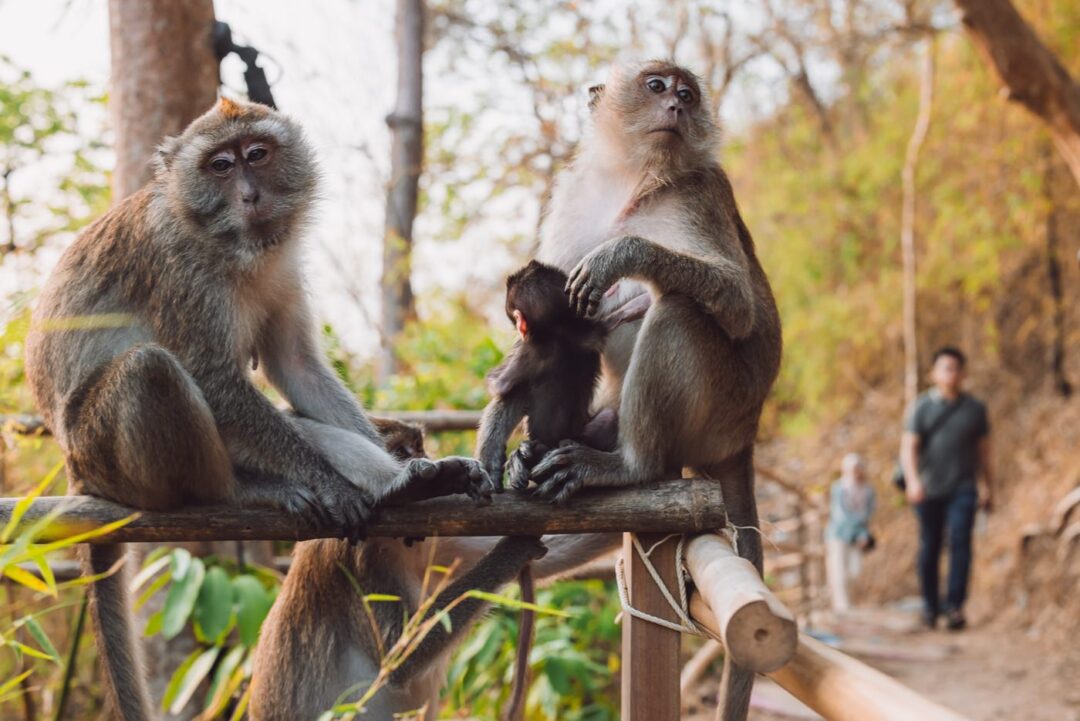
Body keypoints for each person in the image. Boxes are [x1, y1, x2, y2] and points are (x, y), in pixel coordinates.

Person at [900, 346, 993, 630]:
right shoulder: (921, 407)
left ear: (963, 374)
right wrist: (914, 481)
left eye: (955, 368)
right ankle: (930, 607)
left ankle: (955, 607)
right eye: (944, 368)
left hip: (963, 487)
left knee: (961, 544)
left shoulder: (975, 410)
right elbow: (908, 448)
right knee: (930, 546)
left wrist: (989, 486)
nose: (950, 374)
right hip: (928, 489)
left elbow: (985, 453)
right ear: (933, 373)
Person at [824, 453, 876, 614]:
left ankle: (847, 601)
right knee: (838, 568)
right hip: (838, 534)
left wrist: (863, 533)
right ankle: (841, 606)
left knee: (854, 570)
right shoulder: (838, 488)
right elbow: (839, 514)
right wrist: (857, 527)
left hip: (857, 535)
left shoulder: (868, 491)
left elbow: (868, 514)